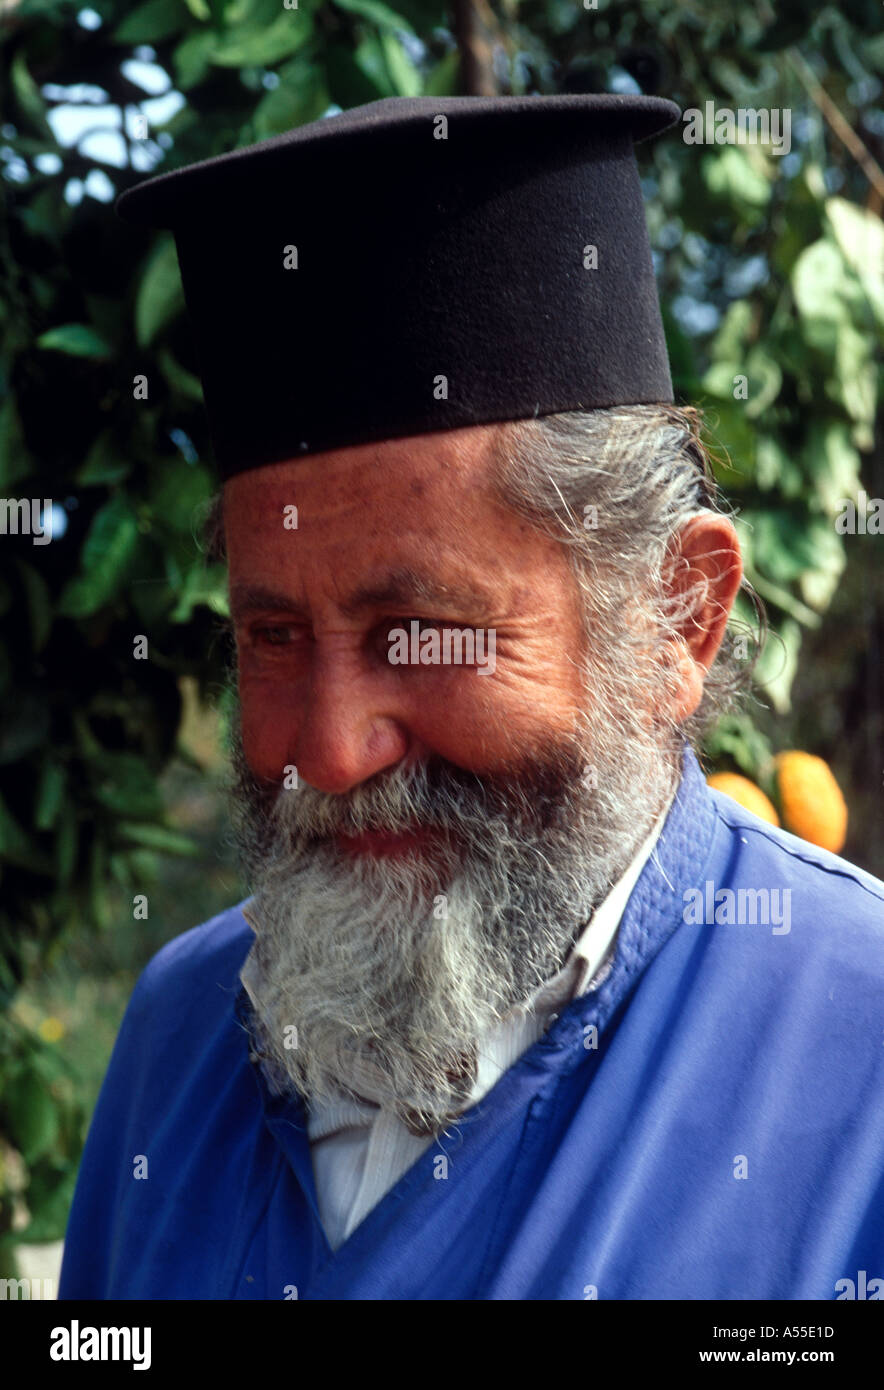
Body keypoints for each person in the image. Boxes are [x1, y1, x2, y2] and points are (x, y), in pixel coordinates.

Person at [58, 94, 884, 1301]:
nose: (329, 751)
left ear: (674, 617)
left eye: (423, 633)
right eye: (274, 634)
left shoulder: (855, 1051)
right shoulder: (180, 1030)